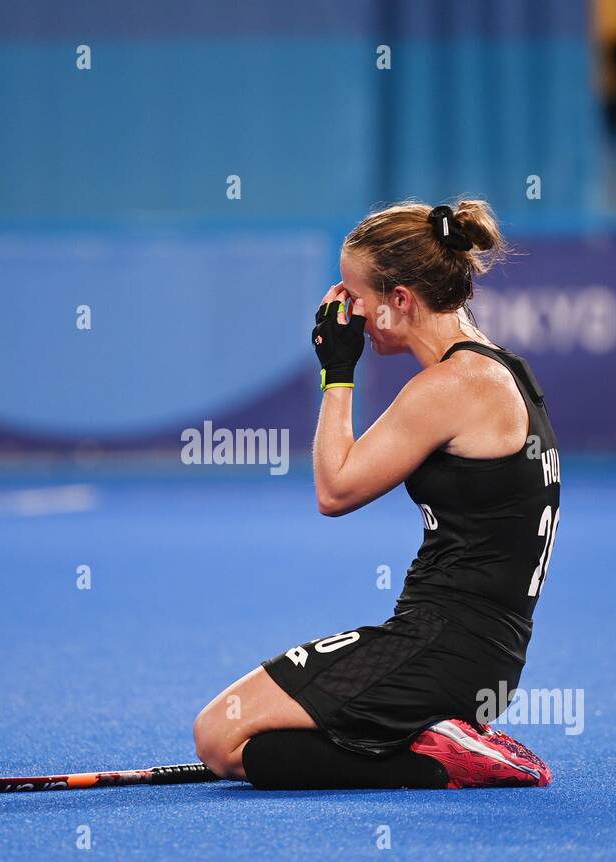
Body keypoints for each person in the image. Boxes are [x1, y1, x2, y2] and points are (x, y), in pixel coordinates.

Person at [193, 199, 559, 790]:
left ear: (401, 301)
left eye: (354, 293)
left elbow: (334, 490)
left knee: (221, 737)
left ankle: (443, 758)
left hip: (444, 651)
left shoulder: (451, 386)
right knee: (259, 741)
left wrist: (337, 373)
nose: (344, 307)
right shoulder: (500, 369)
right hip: (472, 654)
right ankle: (440, 737)